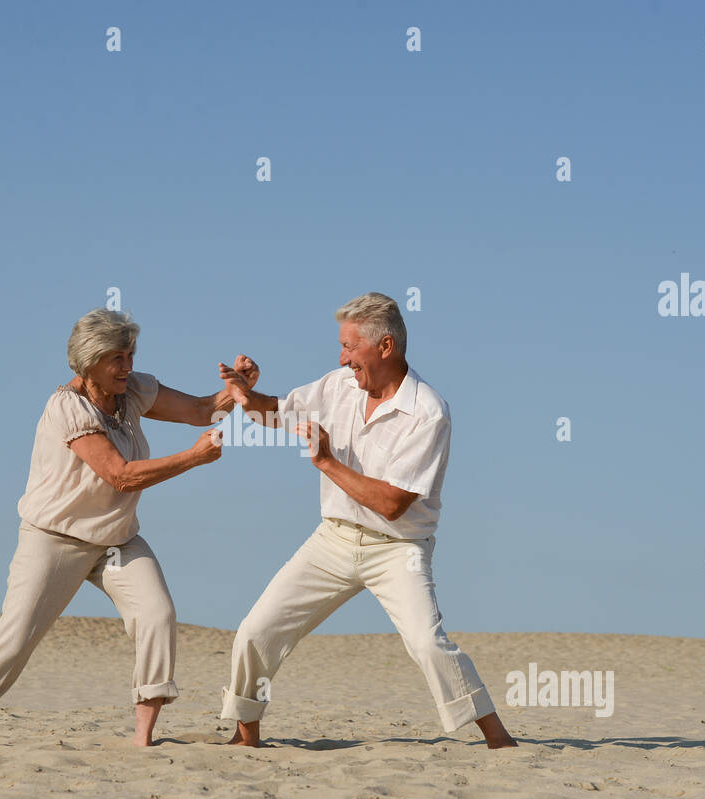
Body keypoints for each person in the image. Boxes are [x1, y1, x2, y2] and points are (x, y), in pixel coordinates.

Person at [0, 308, 258, 746]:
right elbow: (120, 474)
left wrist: (237, 391)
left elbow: (200, 411)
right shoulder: (67, 407)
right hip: (54, 539)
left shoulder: (134, 391)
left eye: (130, 354)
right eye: (116, 358)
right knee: (13, 642)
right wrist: (191, 459)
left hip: (117, 541)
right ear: (88, 361)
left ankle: (142, 739)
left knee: (157, 616)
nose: (127, 366)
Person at [215, 292, 517, 748]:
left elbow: (394, 503)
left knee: (428, 644)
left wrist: (326, 462)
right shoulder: (338, 385)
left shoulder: (429, 412)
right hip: (333, 539)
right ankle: (246, 735)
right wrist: (245, 393)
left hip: (398, 549)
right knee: (257, 630)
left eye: (350, 347)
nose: (341, 357)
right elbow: (275, 413)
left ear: (386, 347)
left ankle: (498, 740)